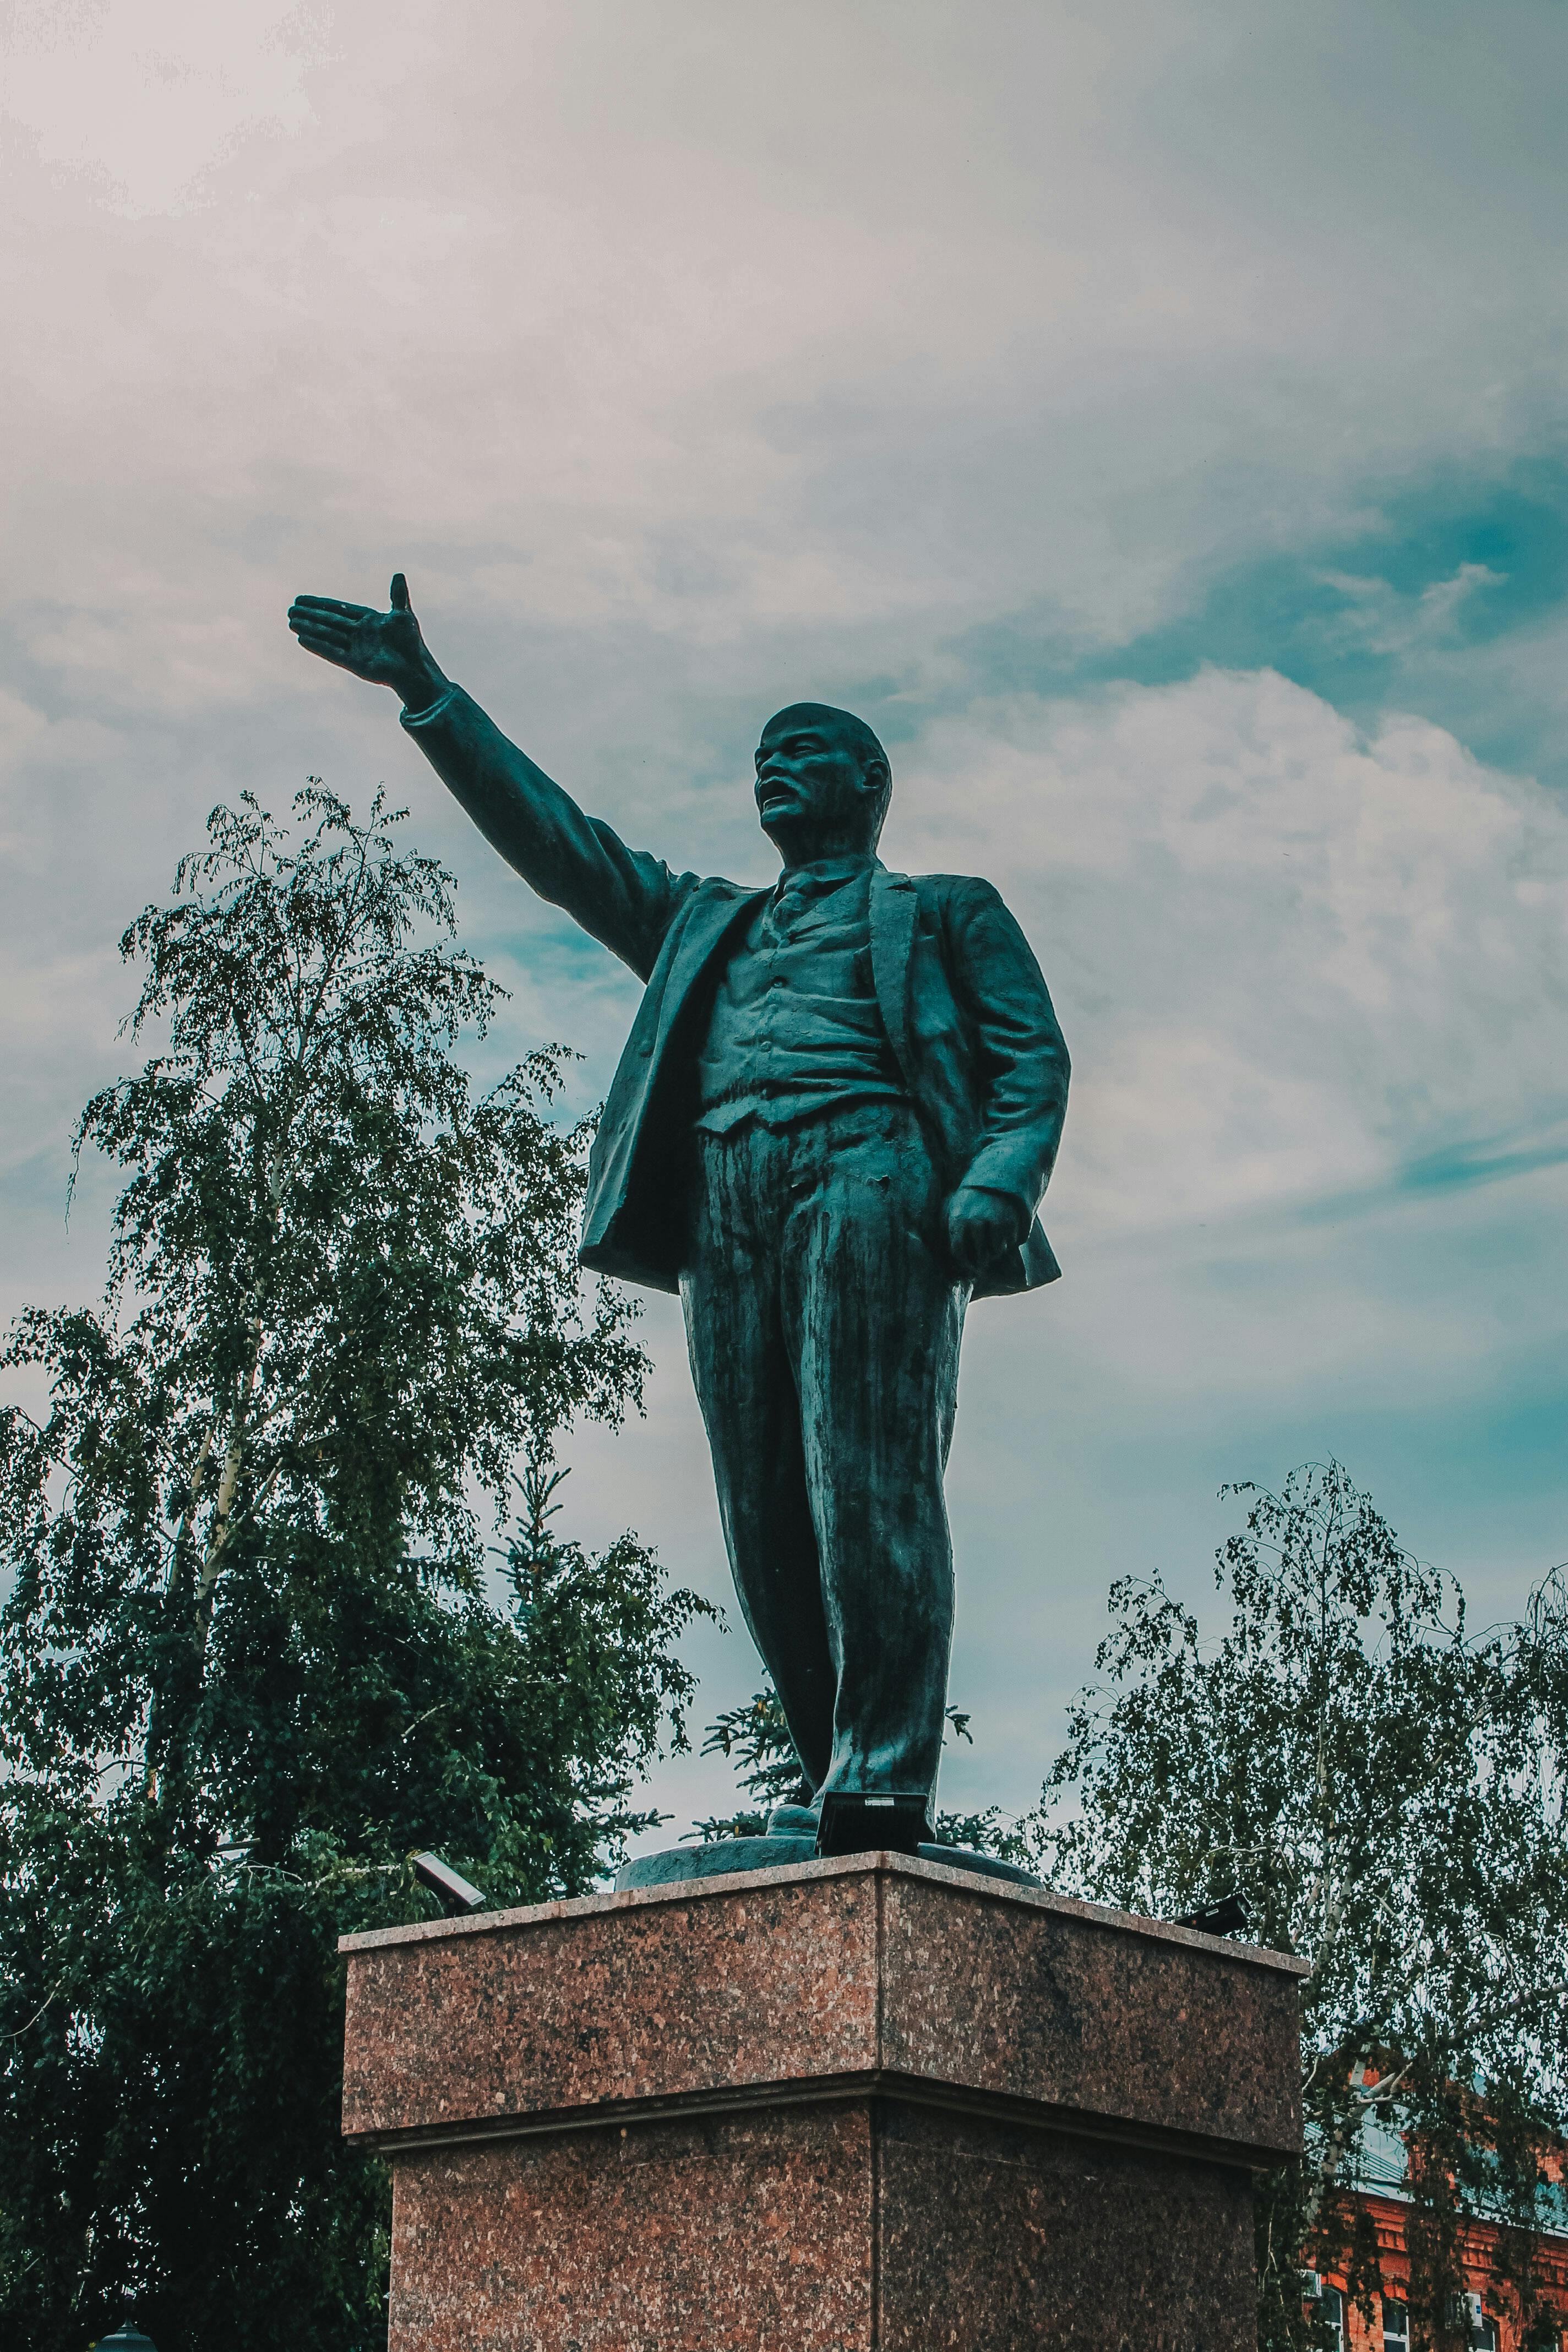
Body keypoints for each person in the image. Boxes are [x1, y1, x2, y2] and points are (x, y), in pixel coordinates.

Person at [287, 576, 1069, 1849]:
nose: (772, 769)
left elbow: (1031, 1062)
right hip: (729, 1207)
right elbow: (564, 850)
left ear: (866, 782)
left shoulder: (943, 911)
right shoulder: (702, 922)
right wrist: (428, 697)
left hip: (872, 1182)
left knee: (866, 1484)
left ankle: (882, 1773)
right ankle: (833, 1772)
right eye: (760, 757)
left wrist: (992, 1178)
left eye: (801, 752)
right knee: (761, 1506)